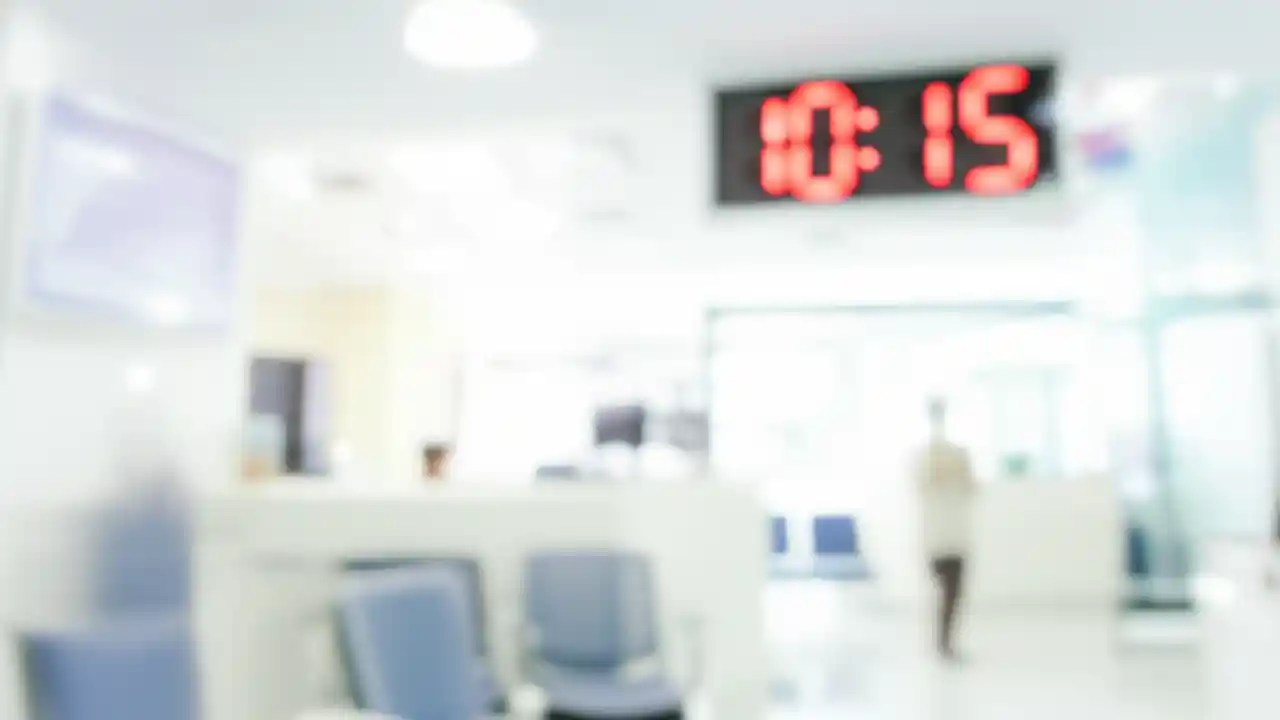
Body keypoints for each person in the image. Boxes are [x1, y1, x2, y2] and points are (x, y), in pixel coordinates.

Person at [914, 397, 978, 661]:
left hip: (953, 532)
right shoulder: (927, 456)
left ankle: (945, 641)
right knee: (947, 589)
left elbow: (971, 487)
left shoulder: (957, 455)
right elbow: (923, 484)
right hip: (938, 534)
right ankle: (943, 641)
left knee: (953, 590)